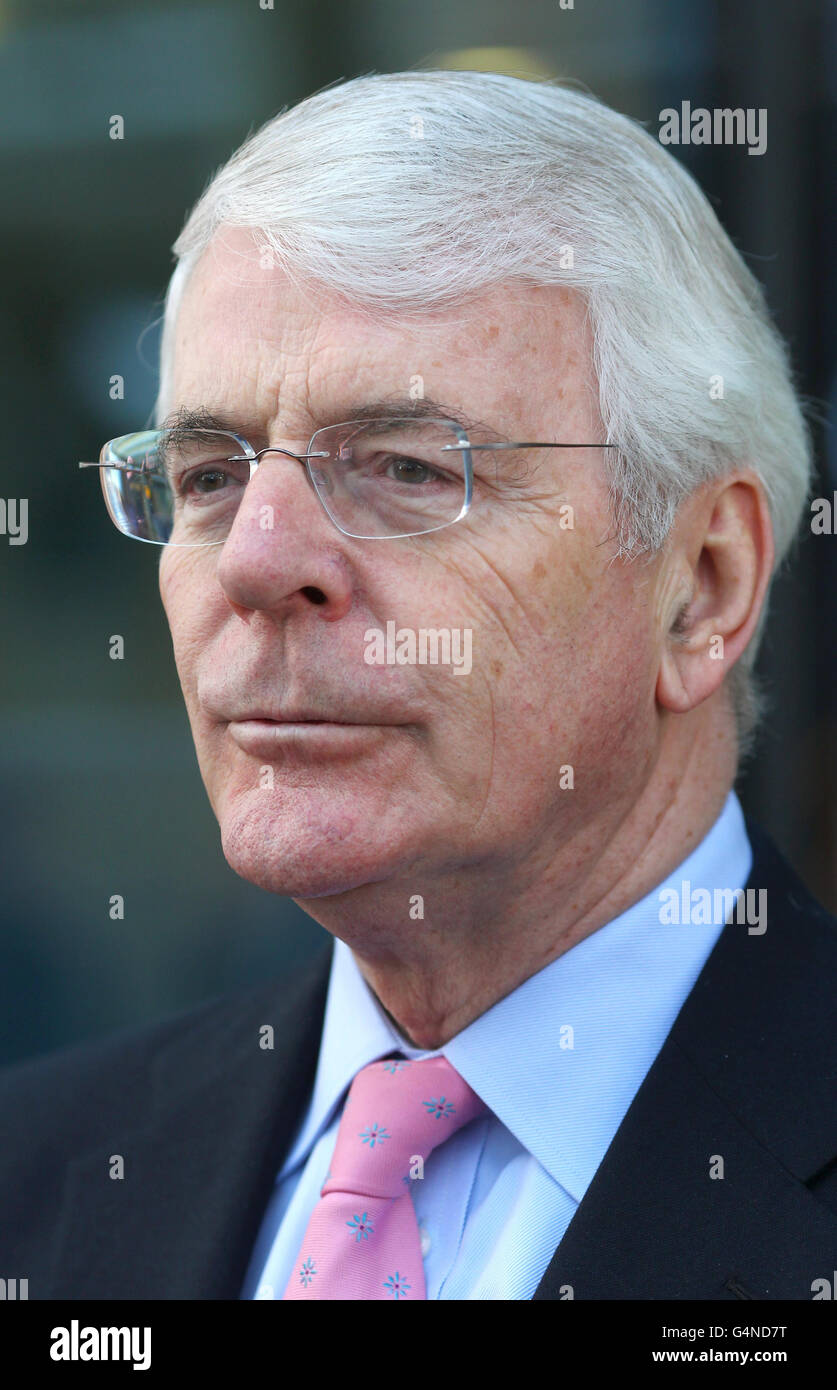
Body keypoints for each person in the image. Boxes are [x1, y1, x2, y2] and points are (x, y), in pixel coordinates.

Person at [3, 69, 836, 1301]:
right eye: (207, 476)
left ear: (703, 586)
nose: (259, 560)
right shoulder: (37, 1170)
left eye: (402, 465)